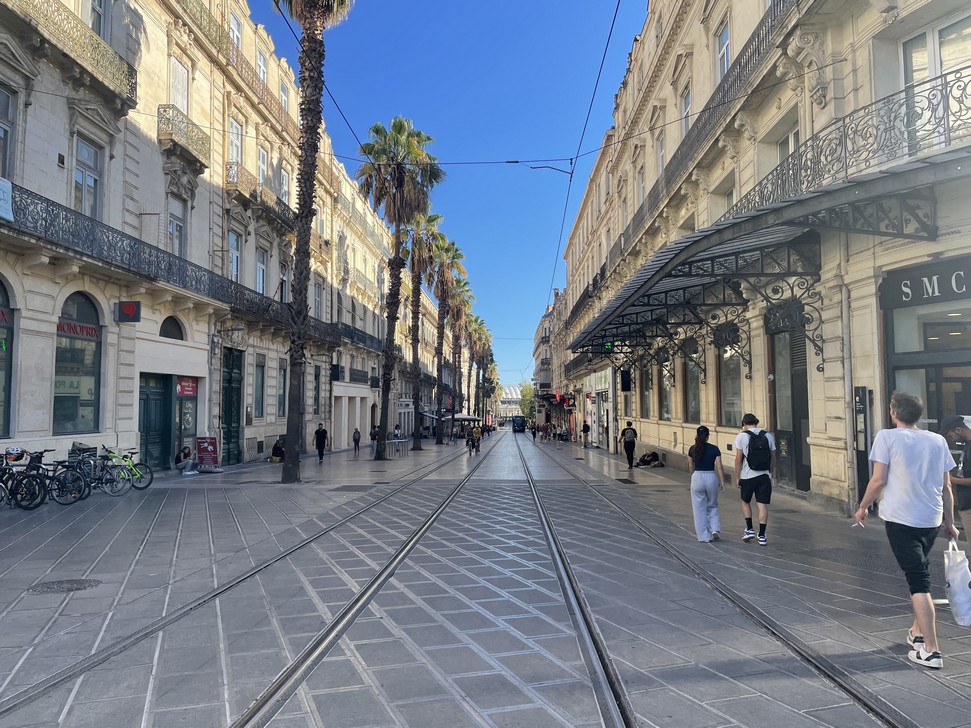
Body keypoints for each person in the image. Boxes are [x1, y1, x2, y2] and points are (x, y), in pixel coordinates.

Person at [854, 391, 959, 670]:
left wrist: (863, 506)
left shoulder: (886, 437)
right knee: (919, 570)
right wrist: (950, 522)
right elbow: (947, 486)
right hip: (931, 519)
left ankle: (931, 650)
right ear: (918, 415)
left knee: (918, 581)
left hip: (901, 519)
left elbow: (878, 480)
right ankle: (917, 632)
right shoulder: (937, 440)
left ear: (893, 413)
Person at [733, 413, 775, 545]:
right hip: (764, 475)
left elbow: (738, 459)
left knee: (745, 501)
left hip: (747, 475)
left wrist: (737, 476)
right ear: (756, 422)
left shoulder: (741, 436)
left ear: (744, 424)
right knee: (762, 504)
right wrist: (771, 473)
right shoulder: (768, 435)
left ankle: (749, 529)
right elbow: (773, 457)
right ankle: (762, 535)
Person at [688, 426, 726, 542]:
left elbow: (691, 466)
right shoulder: (714, 449)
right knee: (712, 504)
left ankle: (704, 536)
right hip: (711, 477)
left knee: (698, 508)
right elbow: (719, 467)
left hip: (697, 476)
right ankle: (715, 529)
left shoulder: (692, 449)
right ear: (708, 436)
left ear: (697, 436)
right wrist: (722, 482)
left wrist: (693, 477)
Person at [940, 415, 971, 542]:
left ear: (958, 430)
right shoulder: (967, 445)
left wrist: (953, 480)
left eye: (950, 436)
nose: (951, 440)